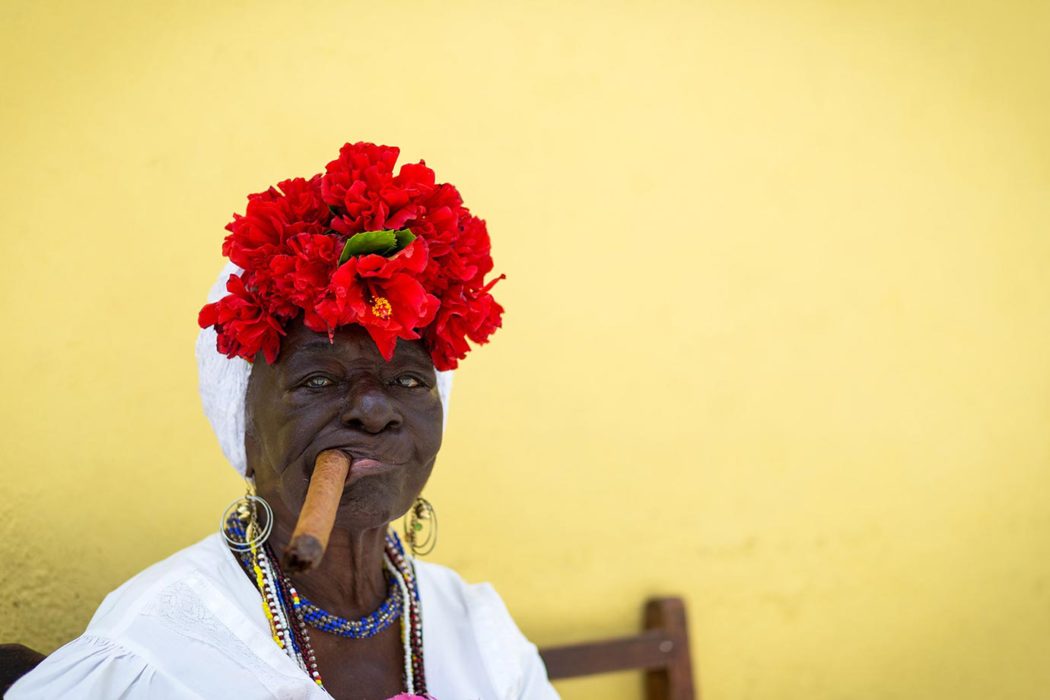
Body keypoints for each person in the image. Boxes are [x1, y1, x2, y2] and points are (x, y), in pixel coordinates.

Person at [7, 142, 559, 699]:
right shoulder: (158, 651)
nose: (373, 410)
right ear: (242, 428)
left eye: (408, 381)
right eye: (318, 381)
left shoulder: (476, 630)